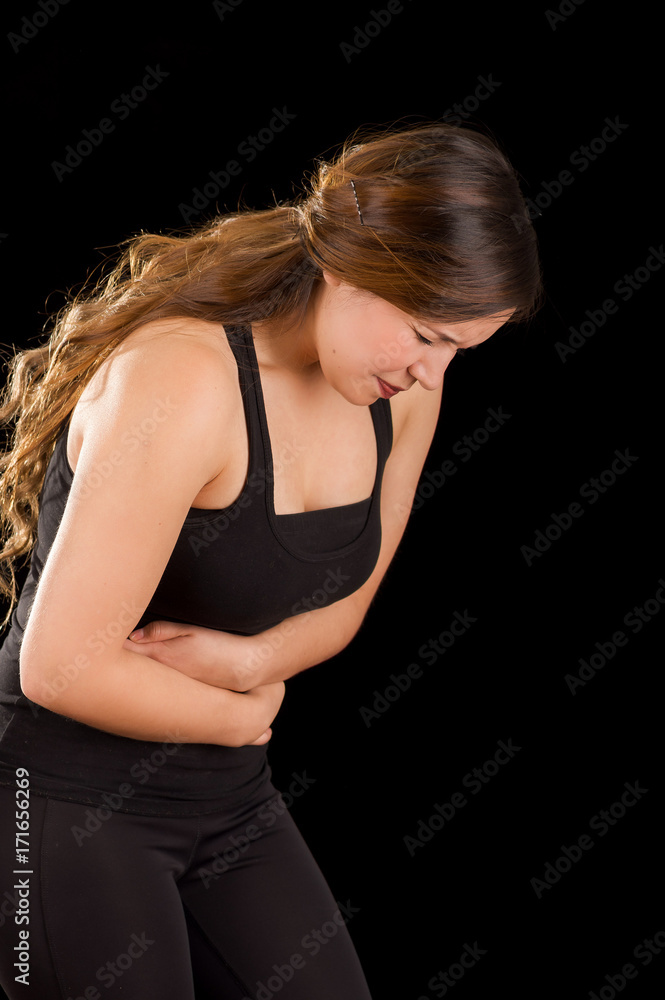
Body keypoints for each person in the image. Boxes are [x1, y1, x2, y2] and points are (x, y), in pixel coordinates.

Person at [0, 120, 542, 999]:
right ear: (345, 265)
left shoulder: (395, 394)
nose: (433, 374)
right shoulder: (181, 378)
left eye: (457, 350)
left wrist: (253, 661)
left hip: (226, 799)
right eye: (424, 333)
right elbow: (60, 669)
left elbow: (352, 593)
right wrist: (244, 715)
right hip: (56, 798)